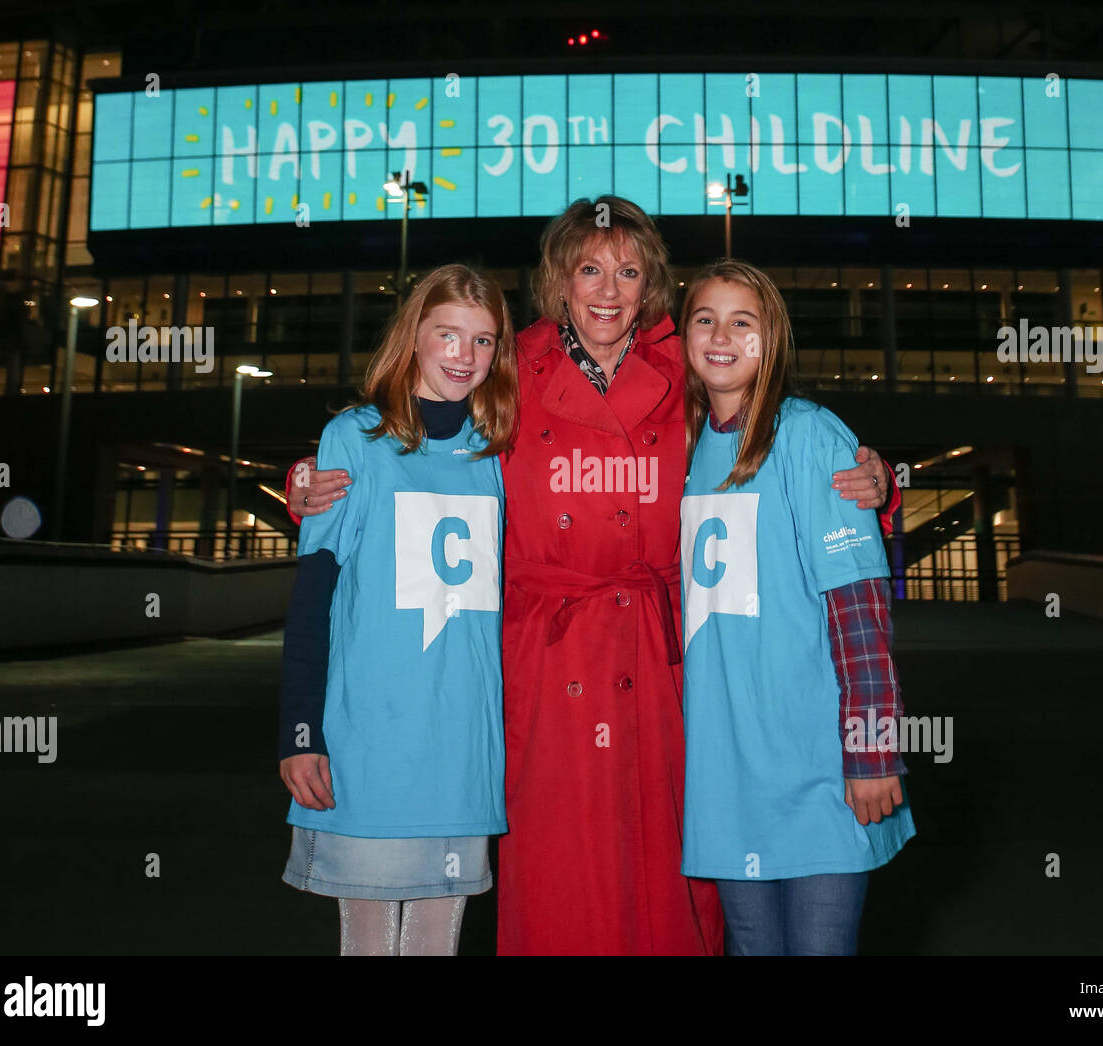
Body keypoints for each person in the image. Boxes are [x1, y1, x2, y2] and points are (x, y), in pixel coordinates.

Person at [285, 196, 899, 954]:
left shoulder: (688, 360)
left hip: (664, 662)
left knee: (670, 871)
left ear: (652, 288)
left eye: (629, 272)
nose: (609, 290)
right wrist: (314, 476)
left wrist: (875, 477)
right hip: (546, 661)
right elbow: (417, 439)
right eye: (590, 269)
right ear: (560, 281)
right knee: (561, 872)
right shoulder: (510, 363)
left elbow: (778, 443)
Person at [278, 264, 519, 955]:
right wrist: (300, 728)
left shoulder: (499, 450)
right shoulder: (354, 438)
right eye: (447, 333)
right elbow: (314, 595)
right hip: (368, 741)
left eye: (482, 341)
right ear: (414, 334)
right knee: (370, 945)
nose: (462, 355)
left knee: (436, 946)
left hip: (463, 749)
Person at [677, 260, 915, 955]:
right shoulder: (683, 446)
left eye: (742, 322)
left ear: (771, 338)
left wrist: (872, 748)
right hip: (726, 767)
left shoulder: (810, 435)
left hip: (817, 762)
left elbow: (858, 608)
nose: (722, 336)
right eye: (704, 319)